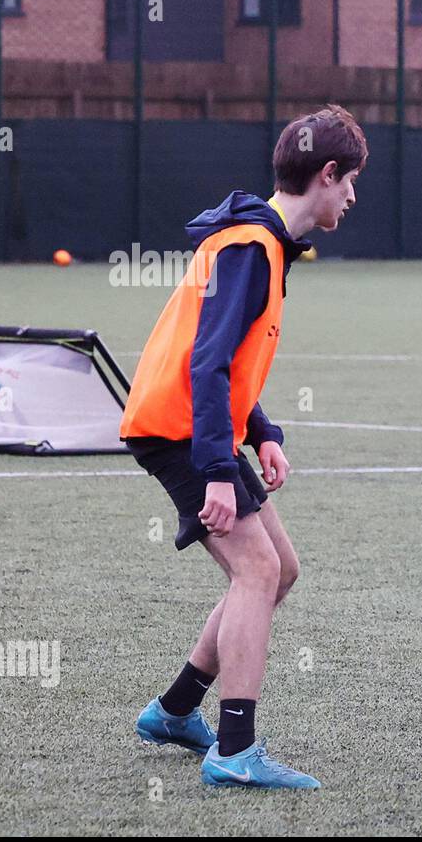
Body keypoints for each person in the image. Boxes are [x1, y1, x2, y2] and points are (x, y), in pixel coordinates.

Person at [121, 104, 367, 784]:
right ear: (326, 173)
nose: (352, 196)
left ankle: (174, 711)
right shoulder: (252, 249)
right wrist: (218, 472)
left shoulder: (259, 242)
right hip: (181, 432)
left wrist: (262, 434)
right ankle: (234, 750)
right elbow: (204, 364)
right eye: (349, 182)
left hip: (198, 429)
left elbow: (227, 357)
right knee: (256, 571)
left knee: (279, 568)